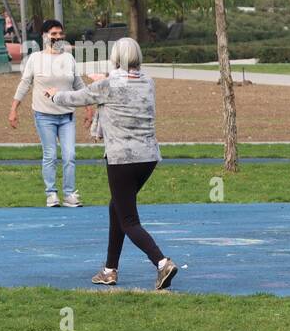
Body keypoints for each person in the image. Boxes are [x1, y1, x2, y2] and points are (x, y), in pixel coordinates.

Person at [47, 37, 179, 290]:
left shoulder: (108, 85)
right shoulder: (148, 82)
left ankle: (162, 263)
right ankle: (109, 270)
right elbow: (124, 89)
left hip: (122, 158)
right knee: (116, 208)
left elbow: (77, 98)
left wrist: (55, 96)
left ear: (116, 58)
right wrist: (103, 82)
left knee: (128, 220)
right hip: (148, 157)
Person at [9, 19, 89, 207]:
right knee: (50, 155)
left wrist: (88, 107)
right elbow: (25, 84)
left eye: (61, 34)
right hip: (44, 115)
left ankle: (69, 194)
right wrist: (14, 109)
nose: (58, 37)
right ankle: (51, 193)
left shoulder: (68, 59)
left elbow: (78, 84)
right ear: (44, 36)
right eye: (53, 34)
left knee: (69, 156)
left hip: (67, 116)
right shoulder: (35, 59)